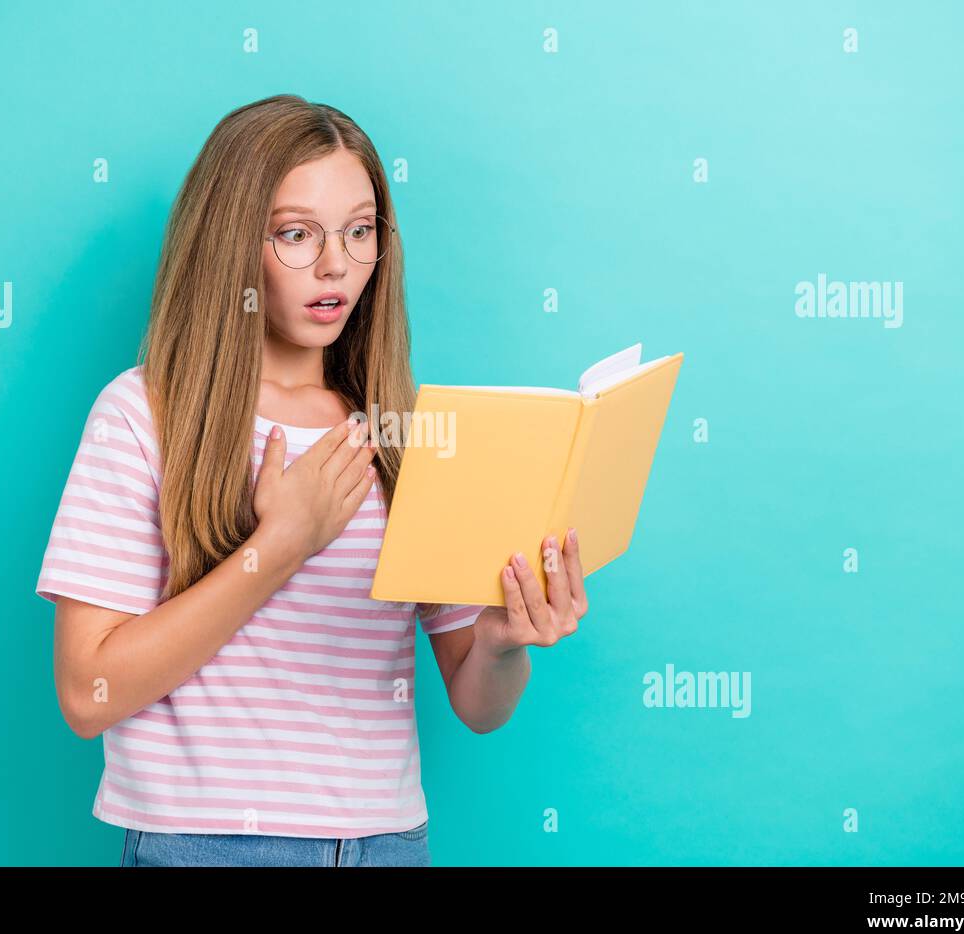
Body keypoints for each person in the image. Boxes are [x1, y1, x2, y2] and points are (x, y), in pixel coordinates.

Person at [35, 94, 589, 867]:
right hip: (211, 848)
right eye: (297, 234)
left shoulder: (400, 432)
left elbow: (477, 704)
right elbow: (85, 692)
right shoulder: (144, 415)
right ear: (233, 244)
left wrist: (500, 643)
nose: (336, 264)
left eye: (360, 231)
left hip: (388, 844)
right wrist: (281, 545)